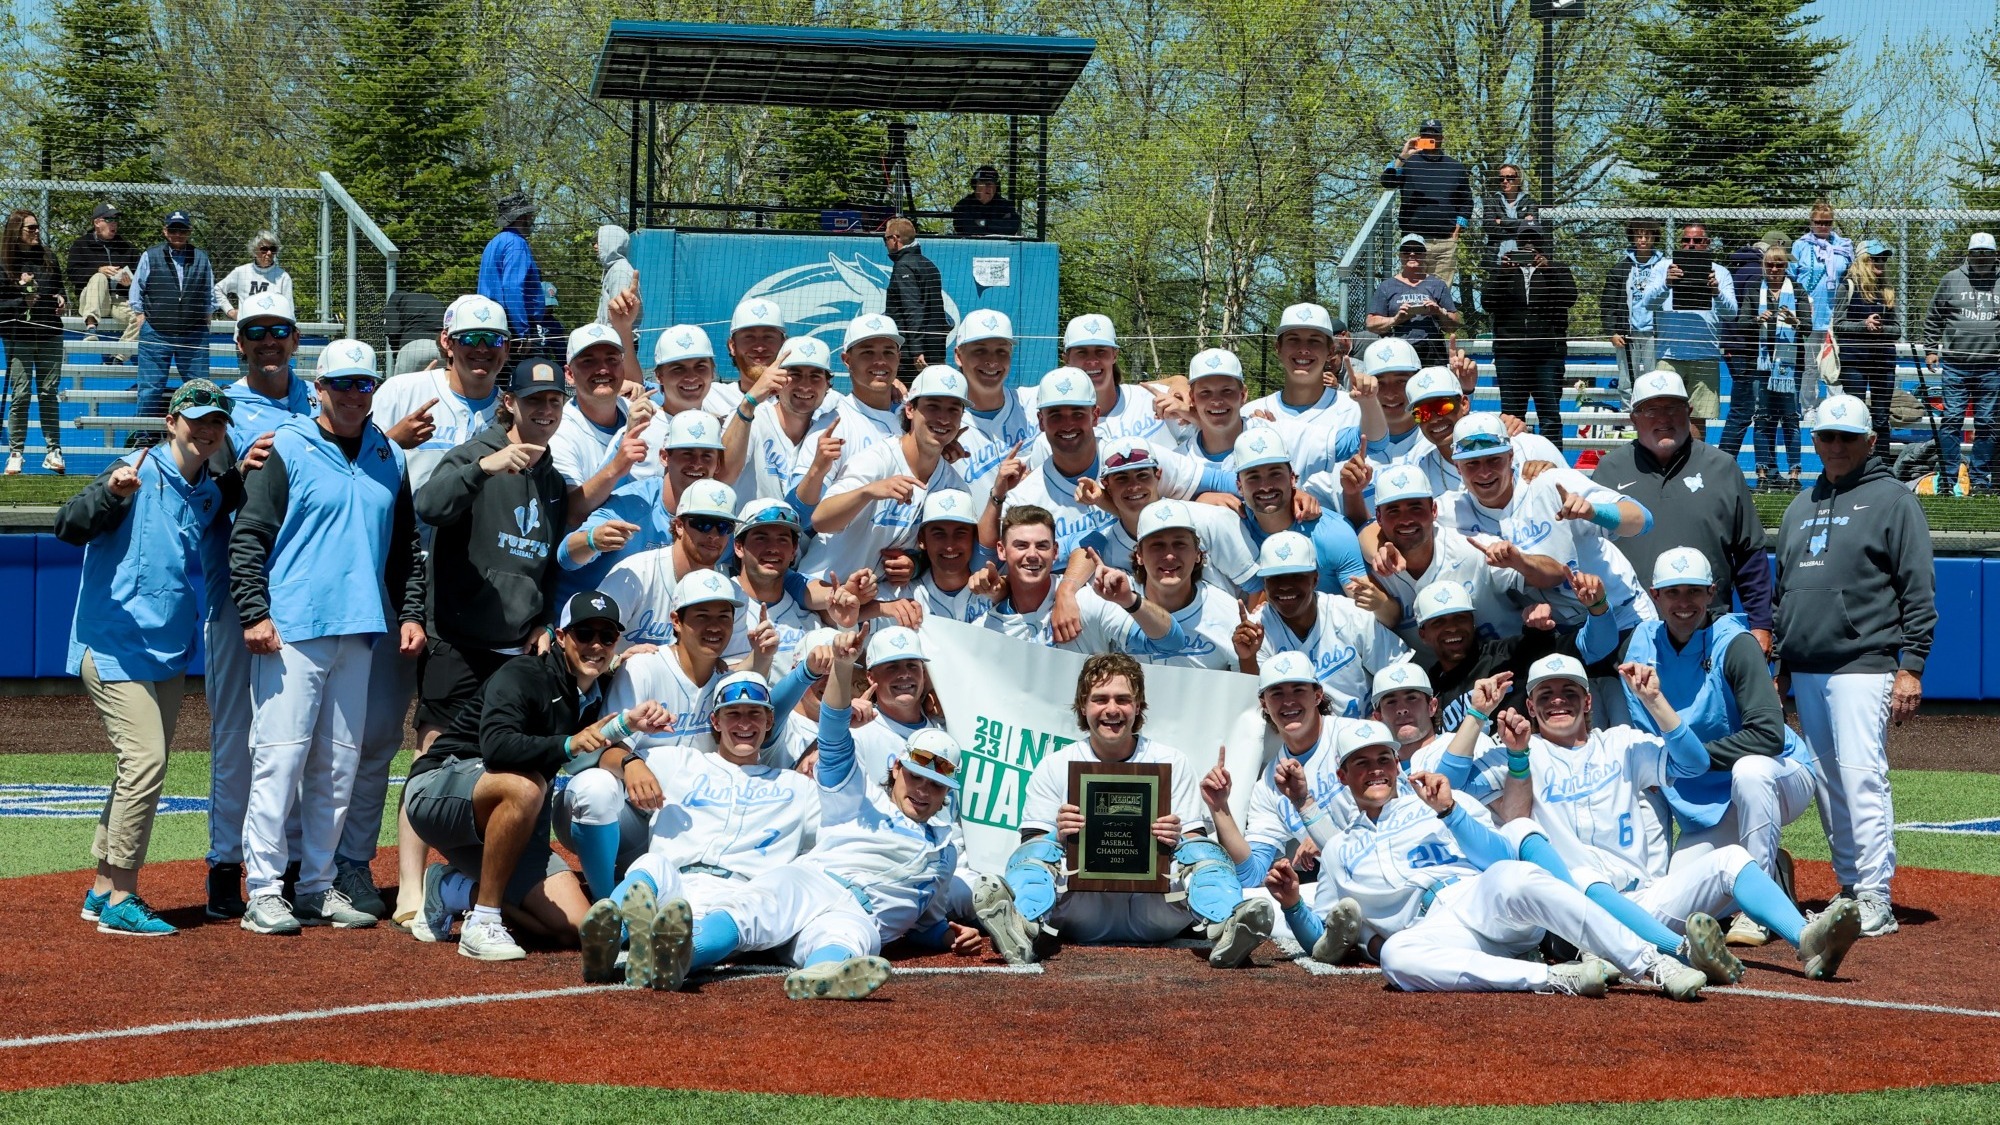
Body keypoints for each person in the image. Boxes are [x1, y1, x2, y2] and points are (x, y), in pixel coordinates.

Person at [642, 621, 978, 1000]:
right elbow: (833, 731)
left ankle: (822, 976)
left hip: (862, 916)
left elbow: (924, 922)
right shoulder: (859, 795)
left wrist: (950, 934)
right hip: (815, 882)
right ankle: (674, 956)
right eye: (917, 776)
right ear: (897, 768)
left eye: (936, 786)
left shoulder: (944, 854)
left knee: (850, 937)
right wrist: (842, 666)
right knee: (756, 908)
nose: (923, 791)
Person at [1269, 719, 1706, 998]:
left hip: (1480, 897)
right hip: (1437, 930)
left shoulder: (1435, 798)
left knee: (1514, 875)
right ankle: (1554, 980)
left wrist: (1451, 813)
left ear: (1397, 765)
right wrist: (1291, 903)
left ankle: (1653, 964)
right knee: (1398, 957)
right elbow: (1320, 940)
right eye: (1361, 763)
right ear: (1343, 776)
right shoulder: (1340, 849)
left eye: (1384, 758)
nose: (1376, 769)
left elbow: (1501, 856)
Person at [227, 340, 426, 936]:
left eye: (363, 384)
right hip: (291, 628)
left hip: (361, 628)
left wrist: (410, 612)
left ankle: (315, 884)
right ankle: (263, 888)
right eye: (341, 384)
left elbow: (404, 551)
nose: (352, 395)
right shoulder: (287, 445)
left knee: (337, 767)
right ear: (319, 388)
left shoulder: (387, 454)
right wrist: (254, 612)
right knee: (279, 760)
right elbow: (249, 536)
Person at [1504, 654, 1862, 983]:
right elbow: (1514, 824)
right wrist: (1515, 755)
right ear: (1531, 708)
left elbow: (1694, 764)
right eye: (1544, 695)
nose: (1557, 700)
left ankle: (1806, 940)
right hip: (1579, 915)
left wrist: (1656, 702)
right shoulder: (1519, 751)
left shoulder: (1620, 743)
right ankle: (1682, 950)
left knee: (1731, 859)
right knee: (1579, 875)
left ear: (1588, 701)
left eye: (1569, 691)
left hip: (1643, 899)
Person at [60, 381, 254, 935]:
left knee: (136, 770)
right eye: (196, 419)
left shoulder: (211, 485)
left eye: (217, 421)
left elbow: (232, 504)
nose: (207, 429)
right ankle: (124, 896)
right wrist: (111, 495)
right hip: (114, 645)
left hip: (166, 648)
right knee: (145, 764)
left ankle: (100, 889)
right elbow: (68, 525)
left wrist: (248, 471)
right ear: (172, 422)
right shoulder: (132, 470)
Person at [404, 591, 672, 960]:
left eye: (607, 637)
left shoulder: (594, 691)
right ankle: (482, 922)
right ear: (561, 637)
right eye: (585, 634)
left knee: (573, 929)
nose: (596, 645)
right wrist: (568, 745)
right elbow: (497, 747)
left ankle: (452, 889)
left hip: (510, 818)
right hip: (439, 790)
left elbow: (596, 736)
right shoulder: (523, 674)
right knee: (526, 785)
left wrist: (629, 729)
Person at [975, 653, 1272, 967]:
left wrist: (1177, 838)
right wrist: (1059, 834)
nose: (1112, 710)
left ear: (1138, 706)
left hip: (1156, 908)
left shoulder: (1171, 761)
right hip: (1080, 909)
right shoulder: (1054, 766)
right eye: (1100, 699)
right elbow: (1029, 849)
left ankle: (1227, 926)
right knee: (1036, 849)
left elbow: (1195, 844)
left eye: (1123, 699)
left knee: (1200, 850)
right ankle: (1020, 926)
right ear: (1083, 706)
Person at [1773, 394, 1934, 939]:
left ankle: (1875, 894)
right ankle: (1849, 889)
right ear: (1815, 441)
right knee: (1826, 781)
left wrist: (1911, 665)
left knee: (1862, 777)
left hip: (1865, 663)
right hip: (1808, 664)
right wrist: (1783, 662)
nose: (1835, 446)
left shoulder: (1893, 500)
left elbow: (1918, 589)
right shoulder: (1799, 504)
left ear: (1869, 442)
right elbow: (1783, 593)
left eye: (1846, 437)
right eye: (1826, 437)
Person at [574, 666, 822, 988]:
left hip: (741, 894)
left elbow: (835, 841)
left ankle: (673, 954)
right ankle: (612, 933)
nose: (744, 724)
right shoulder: (680, 762)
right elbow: (585, 757)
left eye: (754, 714)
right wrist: (630, 762)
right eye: (733, 714)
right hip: (676, 886)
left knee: (758, 904)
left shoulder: (798, 787)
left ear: (769, 721)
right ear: (715, 721)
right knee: (651, 864)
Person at [1623, 547, 1818, 946]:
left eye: (1694, 591)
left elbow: (1769, 734)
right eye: (1672, 592)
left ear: (1711, 592)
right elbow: (1648, 743)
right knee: (1683, 906)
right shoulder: (1642, 643)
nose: (1683, 603)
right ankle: (1772, 873)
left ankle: (1758, 910)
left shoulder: (1735, 642)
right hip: (1709, 802)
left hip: (1779, 775)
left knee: (1750, 771)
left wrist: (1689, 759)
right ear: (1654, 595)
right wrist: (1676, 764)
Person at [201, 292, 315, 920]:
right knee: (234, 737)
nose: (269, 341)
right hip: (235, 594)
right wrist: (235, 475)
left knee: (295, 739)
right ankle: (224, 865)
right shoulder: (220, 407)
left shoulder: (317, 400)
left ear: (295, 339)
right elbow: (203, 501)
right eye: (256, 332)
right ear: (239, 342)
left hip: (301, 596)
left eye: (280, 330)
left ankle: (291, 866)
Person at [1590, 369, 1771, 653]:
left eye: (1673, 408)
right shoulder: (1609, 472)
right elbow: (1589, 551)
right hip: (1630, 632)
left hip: (1708, 632)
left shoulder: (1722, 468)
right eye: (1651, 409)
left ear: (1689, 411)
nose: (1664, 418)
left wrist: (1761, 623)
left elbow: (1750, 555)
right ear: (1633, 417)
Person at [805, 365, 977, 578]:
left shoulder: (954, 486)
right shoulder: (877, 459)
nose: (943, 418)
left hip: (874, 599)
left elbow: (950, 553)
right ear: (910, 410)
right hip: (821, 586)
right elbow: (821, 521)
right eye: (932, 406)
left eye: (953, 409)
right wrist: (867, 492)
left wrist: (915, 565)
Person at [975, 505, 1189, 655]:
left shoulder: (1087, 602)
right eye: (1021, 545)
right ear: (1002, 551)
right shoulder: (985, 628)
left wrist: (1130, 601)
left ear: (1056, 551)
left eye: (1042, 546)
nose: (1032, 554)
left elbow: (1171, 643)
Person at [1241, 531, 1413, 711]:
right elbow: (1255, 707)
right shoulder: (1256, 630)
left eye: (1296, 576)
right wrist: (1246, 658)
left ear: (1315, 579)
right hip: (1299, 736)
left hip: (1368, 730)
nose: (1285, 585)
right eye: (1275, 578)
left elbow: (1399, 671)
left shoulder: (1348, 613)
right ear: (1265, 584)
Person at [1071, 437, 1256, 596]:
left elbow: (1258, 588)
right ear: (1106, 484)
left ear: (1158, 474)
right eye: (1121, 478)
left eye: (1142, 475)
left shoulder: (1209, 519)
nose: (1134, 486)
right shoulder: (1109, 548)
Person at [129, 210, 226, 446]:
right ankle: (144, 439)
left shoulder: (201, 257)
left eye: (182, 230)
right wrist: (140, 313)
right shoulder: (150, 255)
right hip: (156, 331)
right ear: (165, 231)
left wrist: (207, 315)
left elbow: (209, 290)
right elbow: (137, 288)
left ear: (189, 232)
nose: (178, 234)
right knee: (150, 389)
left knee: (199, 388)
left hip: (193, 333)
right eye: (173, 229)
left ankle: (200, 437)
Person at [1481, 225, 1575, 446]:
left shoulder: (1557, 268)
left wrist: (1548, 270)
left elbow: (1570, 297)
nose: (1529, 247)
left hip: (1547, 354)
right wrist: (1503, 273)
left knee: (1550, 415)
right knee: (1512, 417)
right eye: (1524, 243)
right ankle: (1514, 463)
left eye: (1535, 243)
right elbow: (1487, 303)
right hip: (1510, 353)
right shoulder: (1503, 270)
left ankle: (1554, 463)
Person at [1921, 232, 2000, 495]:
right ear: (1969, 254)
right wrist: (1931, 349)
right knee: (1951, 419)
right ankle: (1948, 477)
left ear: (1994, 254)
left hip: (1991, 364)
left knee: (1987, 422)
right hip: (1956, 363)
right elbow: (1934, 316)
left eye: (1986, 253)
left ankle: (1979, 479)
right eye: (1977, 253)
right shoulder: (1951, 280)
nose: (1981, 258)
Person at [0, 209, 68, 474]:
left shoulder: (48, 256)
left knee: (49, 392)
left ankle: (54, 450)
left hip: (50, 332)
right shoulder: (5, 263)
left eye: (37, 227)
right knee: (21, 392)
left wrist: (61, 298)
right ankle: (16, 452)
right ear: (17, 231)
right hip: (19, 337)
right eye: (31, 228)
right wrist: (21, 299)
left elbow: (58, 286)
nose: (36, 231)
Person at [1653, 223, 1739, 432]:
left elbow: (1732, 313)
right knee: (1663, 417)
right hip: (1669, 355)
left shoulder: (1721, 272)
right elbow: (1647, 303)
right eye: (1686, 240)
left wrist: (1716, 292)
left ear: (1707, 244)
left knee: (1698, 419)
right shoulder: (1663, 267)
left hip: (1705, 356)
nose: (1691, 245)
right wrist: (1667, 284)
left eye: (1697, 241)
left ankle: (1694, 464)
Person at [868, 489, 995, 626]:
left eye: (960, 533)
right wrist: (881, 608)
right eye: (939, 534)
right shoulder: (899, 596)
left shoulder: (995, 590)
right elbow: (850, 620)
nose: (950, 545)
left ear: (974, 536)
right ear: (922, 539)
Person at [1743, 247, 1813, 491]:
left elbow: (1808, 327)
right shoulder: (1754, 289)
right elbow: (1742, 323)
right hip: (1761, 364)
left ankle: (1794, 474)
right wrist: (1756, 321)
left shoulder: (1798, 290)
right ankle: (1762, 474)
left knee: (1790, 419)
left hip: (1790, 366)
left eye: (1779, 265)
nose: (1774, 270)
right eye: (1770, 265)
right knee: (1762, 418)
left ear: (1786, 266)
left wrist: (1795, 321)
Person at [1380, 119, 1473, 287]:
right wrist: (1403, 155)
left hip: (1445, 242)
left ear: (1441, 138)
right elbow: (1387, 182)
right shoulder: (1406, 163)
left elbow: (1466, 201)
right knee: (1412, 292)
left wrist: (1457, 231)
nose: (1430, 138)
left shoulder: (1456, 167)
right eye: (1425, 135)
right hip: (1413, 241)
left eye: (1434, 135)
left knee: (1441, 295)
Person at [1830, 240, 1900, 449]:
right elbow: (1839, 325)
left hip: (1883, 361)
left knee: (1881, 419)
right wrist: (1864, 324)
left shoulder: (1887, 290)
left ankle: (1883, 467)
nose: (1880, 263)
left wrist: (1881, 328)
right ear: (1862, 260)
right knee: (1855, 416)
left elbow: (1897, 329)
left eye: (1883, 259)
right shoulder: (1848, 286)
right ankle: (1854, 466)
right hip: (1854, 361)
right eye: (1875, 259)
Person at [478, 193, 562, 358]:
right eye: (529, 215)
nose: (531, 220)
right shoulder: (517, 243)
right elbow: (513, 288)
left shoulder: (494, 242)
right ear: (522, 217)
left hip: (491, 321)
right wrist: (522, 332)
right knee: (530, 377)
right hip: (513, 326)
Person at [1599, 219, 1670, 407]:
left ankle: (1653, 415)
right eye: (1639, 235)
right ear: (1633, 237)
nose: (1643, 239)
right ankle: (1628, 415)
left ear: (1655, 237)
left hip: (1656, 334)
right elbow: (1608, 303)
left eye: (1647, 235)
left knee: (1655, 379)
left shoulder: (1664, 267)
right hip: (1627, 333)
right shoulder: (1620, 269)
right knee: (1627, 380)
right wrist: (1612, 331)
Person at [1366, 235, 1459, 367]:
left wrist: (1438, 312)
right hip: (1398, 349)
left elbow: (1454, 324)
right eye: (1406, 251)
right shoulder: (1386, 286)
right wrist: (1396, 319)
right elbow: (1371, 323)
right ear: (1400, 255)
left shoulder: (1437, 285)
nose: (1412, 254)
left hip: (1432, 350)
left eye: (1417, 251)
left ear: (1424, 255)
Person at [881, 218, 950, 378]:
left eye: (886, 238)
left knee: (909, 399)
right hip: (934, 350)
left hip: (913, 357)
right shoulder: (929, 264)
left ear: (895, 238)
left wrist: (917, 351)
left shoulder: (904, 266)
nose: (885, 243)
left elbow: (913, 309)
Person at [66, 201, 141, 344]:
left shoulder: (127, 248)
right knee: (99, 277)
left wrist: (129, 283)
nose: (114, 224)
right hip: (91, 300)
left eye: (116, 220)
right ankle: (91, 326)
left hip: (118, 300)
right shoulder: (81, 244)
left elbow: (139, 277)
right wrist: (98, 270)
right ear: (97, 222)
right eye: (109, 220)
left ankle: (118, 356)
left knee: (141, 318)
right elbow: (73, 273)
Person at [1790, 201, 1854, 340]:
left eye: (1828, 222)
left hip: (1835, 313)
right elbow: (1791, 277)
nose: (1823, 226)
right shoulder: (1800, 245)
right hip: (1808, 313)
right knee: (1809, 359)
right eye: (1819, 222)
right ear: (1811, 222)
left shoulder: (1843, 246)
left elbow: (1851, 277)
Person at [1477, 163, 1540, 270]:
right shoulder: (1491, 202)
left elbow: (1530, 229)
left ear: (1519, 180)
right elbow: (1489, 227)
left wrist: (1501, 221)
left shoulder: (1530, 202)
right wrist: (1520, 224)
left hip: (1523, 262)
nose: (1505, 181)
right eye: (1501, 179)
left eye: (1510, 178)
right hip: (1496, 262)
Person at [214, 231, 292, 315]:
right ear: (254, 251)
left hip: (271, 325)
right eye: (264, 249)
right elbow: (218, 289)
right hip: (246, 325)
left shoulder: (283, 277)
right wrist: (230, 311)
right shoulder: (241, 272)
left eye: (273, 249)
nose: (269, 253)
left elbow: (289, 309)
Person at [950, 165, 1021, 237]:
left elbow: (1011, 228)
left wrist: (984, 223)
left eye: (992, 184)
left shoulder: (1005, 206)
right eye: (985, 183)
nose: (989, 188)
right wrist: (996, 225)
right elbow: (967, 229)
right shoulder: (963, 206)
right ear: (975, 184)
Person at [594, 225, 635, 324]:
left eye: (598, 242)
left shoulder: (619, 271)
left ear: (609, 243)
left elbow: (619, 315)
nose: (595, 246)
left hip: (618, 338)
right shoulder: (613, 268)